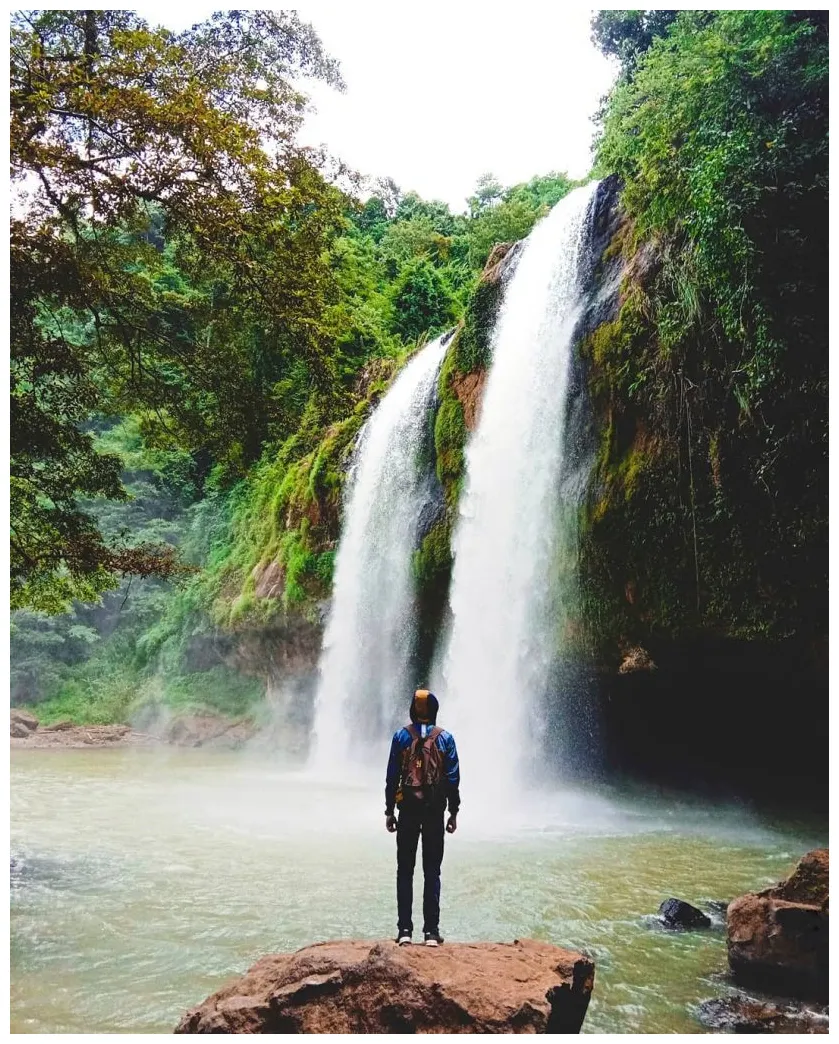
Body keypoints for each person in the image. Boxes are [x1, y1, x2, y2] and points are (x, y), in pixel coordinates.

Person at [384, 689, 460, 947]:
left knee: (404, 871)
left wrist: (389, 810)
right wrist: (454, 811)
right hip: (434, 811)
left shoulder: (401, 736)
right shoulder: (445, 739)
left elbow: (392, 776)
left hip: (407, 811)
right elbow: (452, 778)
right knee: (432, 871)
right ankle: (431, 932)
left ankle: (404, 931)